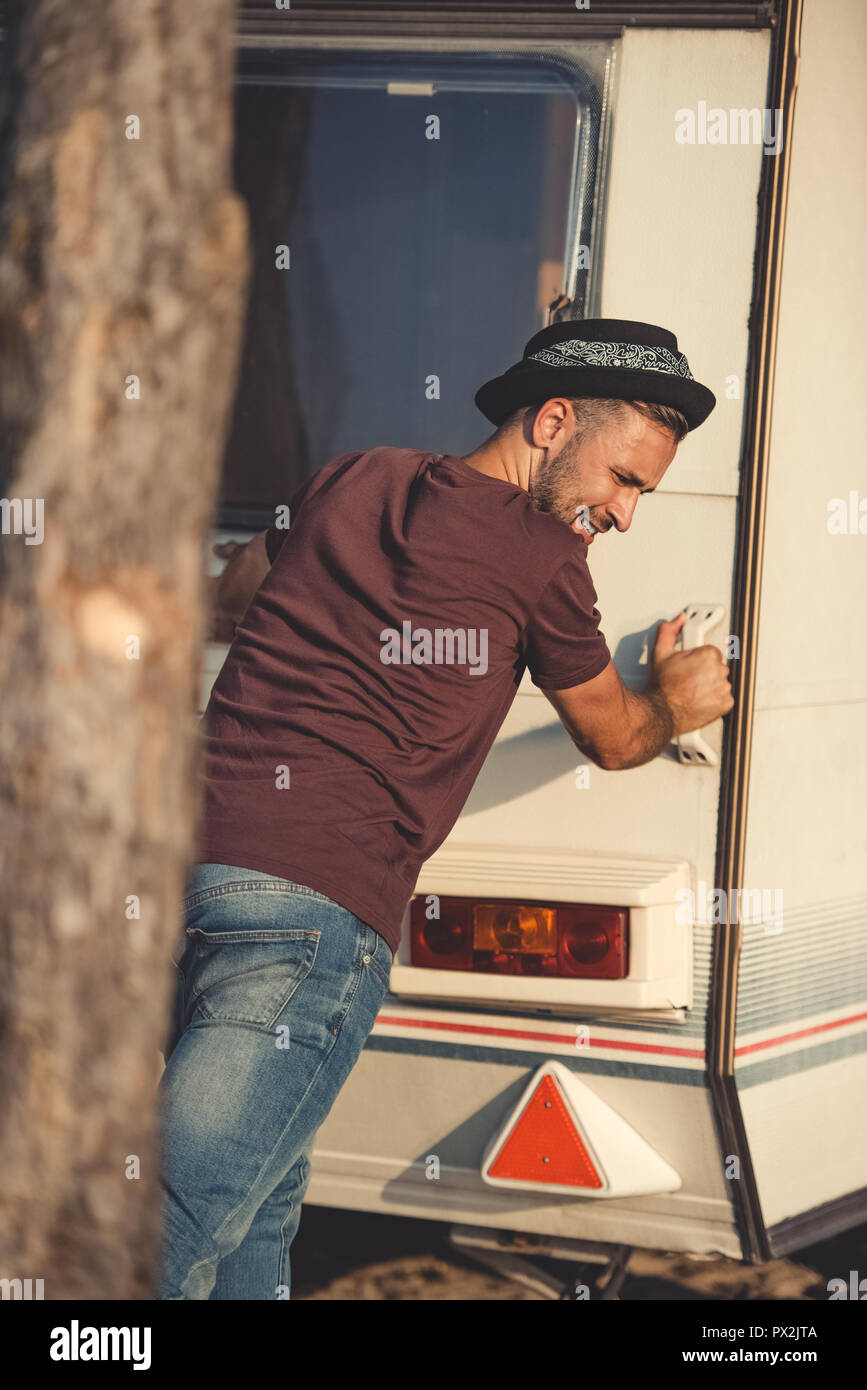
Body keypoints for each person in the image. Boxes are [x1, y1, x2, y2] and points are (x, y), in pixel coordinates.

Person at [157, 318, 733, 1299]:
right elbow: (613, 735)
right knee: (158, 1240)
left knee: (255, 1216)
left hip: (199, 880)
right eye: (625, 479)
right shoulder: (544, 559)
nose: (625, 514)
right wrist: (679, 696)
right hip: (317, 915)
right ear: (554, 420)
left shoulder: (349, 478)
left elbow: (230, 594)